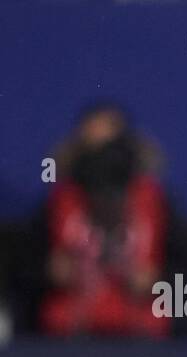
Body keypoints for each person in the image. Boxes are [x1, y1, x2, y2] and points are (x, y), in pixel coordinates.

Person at [41, 103, 168, 338]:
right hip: (75, 319)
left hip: (138, 319)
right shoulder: (63, 199)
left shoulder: (151, 199)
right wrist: (58, 270)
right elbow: (51, 271)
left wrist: (153, 278)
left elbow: (166, 270)